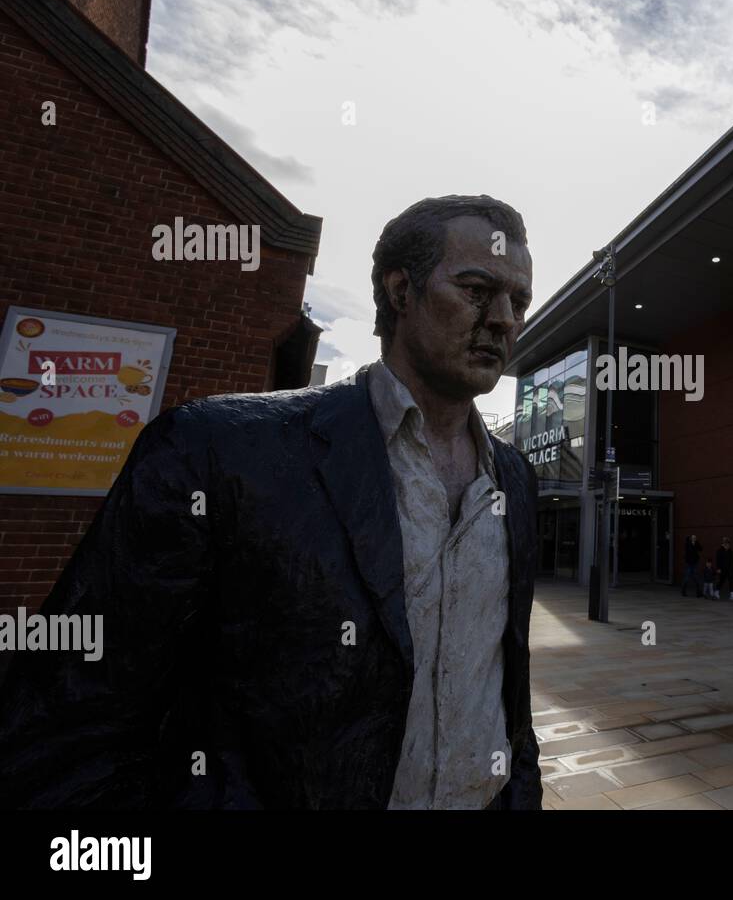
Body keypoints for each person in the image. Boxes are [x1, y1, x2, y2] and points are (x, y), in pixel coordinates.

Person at [0, 195, 542, 810]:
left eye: (518, 302)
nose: (504, 319)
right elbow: (71, 727)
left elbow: (507, 689)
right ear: (400, 291)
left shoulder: (517, 480)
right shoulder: (218, 449)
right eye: (477, 290)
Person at [715, 536, 733, 601]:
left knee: (731, 581)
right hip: (722, 569)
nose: (728, 544)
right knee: (721, 581)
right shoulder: (720, 550)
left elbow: (732, 560)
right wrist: (718, 568)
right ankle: (716, 592)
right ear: (724, 543)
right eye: (727, 543)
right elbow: (718, 560)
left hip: (730, 569)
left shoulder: (730, 551)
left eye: (729, 543)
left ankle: (732, 595)